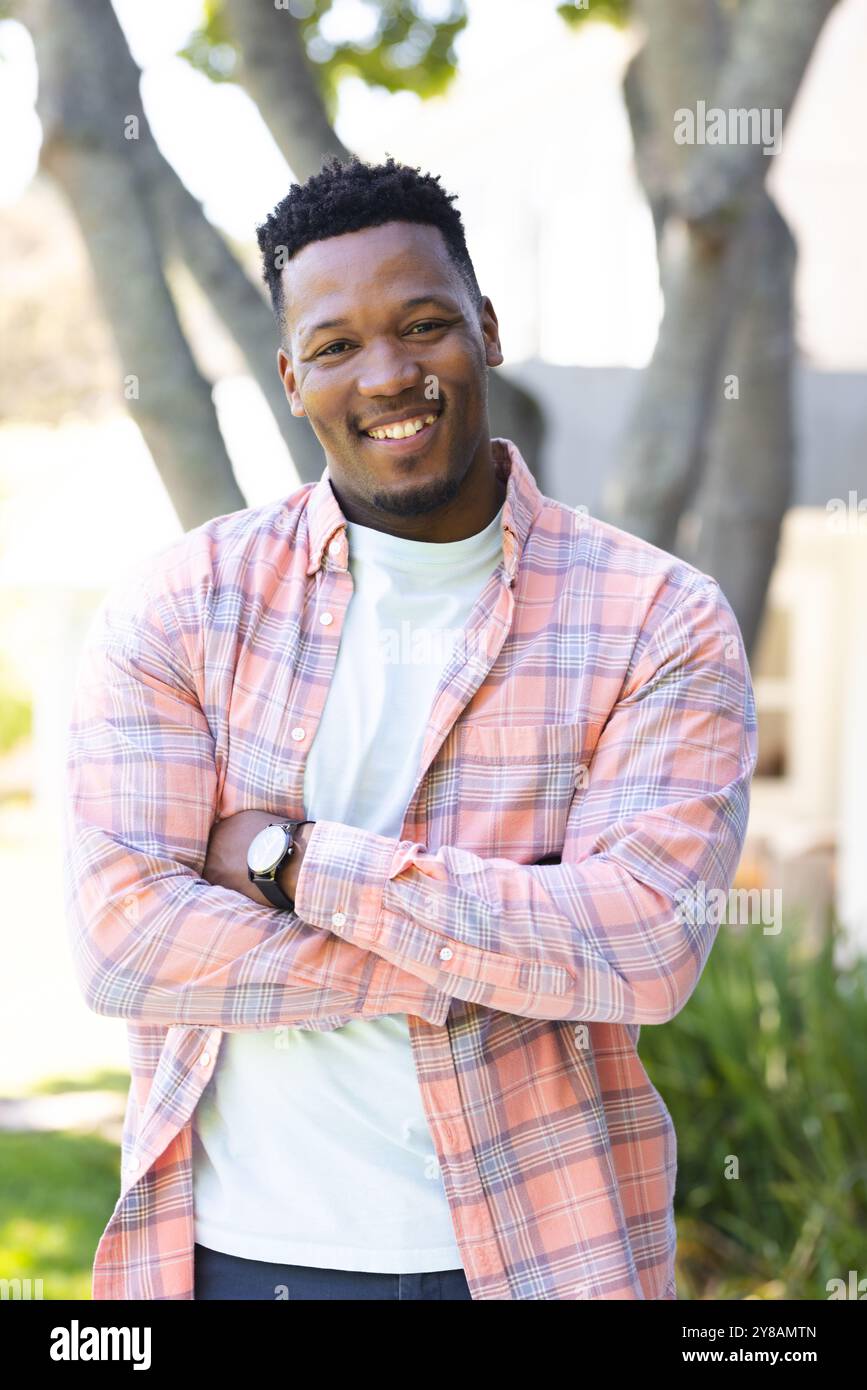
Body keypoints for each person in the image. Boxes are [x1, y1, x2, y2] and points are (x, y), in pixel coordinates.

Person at [63, 154, 758, 1301]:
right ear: (292, 375)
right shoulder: (185, 605)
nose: (387, 374)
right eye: (337, 345)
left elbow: (641, 946)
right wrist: (494, 949)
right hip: (239, 1259)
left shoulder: (654, 617)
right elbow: (127, 940)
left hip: (544, 1259)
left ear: (484, 326)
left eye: (424, 325)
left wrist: (294, 861)